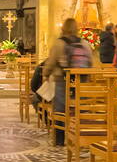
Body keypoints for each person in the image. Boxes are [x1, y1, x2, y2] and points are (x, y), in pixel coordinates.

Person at [41, 18, 96, 146]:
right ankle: (82, 139)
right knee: (81, 108)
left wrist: (46, 74)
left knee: (60, 109)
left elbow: (51, 61)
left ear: (63, 28)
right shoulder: (84, 43)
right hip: (81, 80)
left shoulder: (59, 43)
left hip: (62, 79)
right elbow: (90, 62)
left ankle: (60, 140)